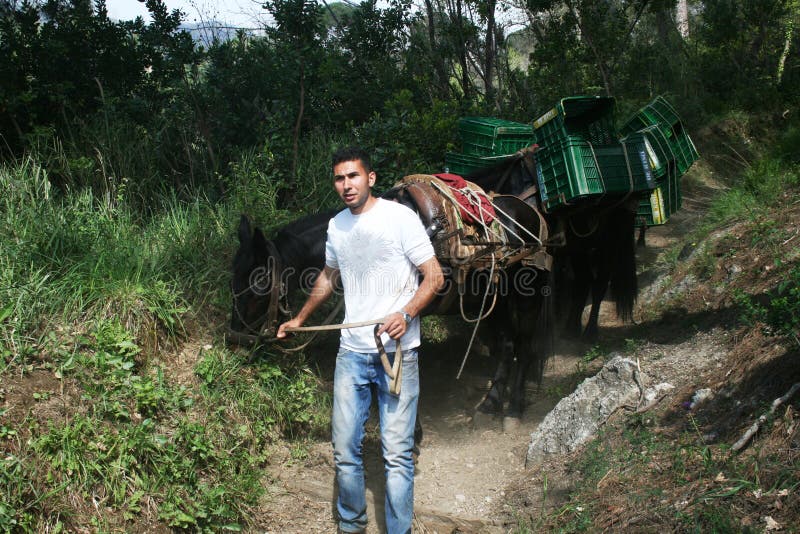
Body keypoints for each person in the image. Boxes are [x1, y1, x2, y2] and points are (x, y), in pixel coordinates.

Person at [277, 146, 444, 534]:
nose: (346, 184)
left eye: (353, 176)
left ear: (370, 178)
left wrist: (405, 314)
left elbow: (433, 276)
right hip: (351, 354)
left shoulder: (399, 218)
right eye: (339, 178)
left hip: (397, 354)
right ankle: (351, 526)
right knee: (345, 451)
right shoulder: (337, 226)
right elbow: (328, 277)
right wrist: (299, 319)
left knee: (397, 455)